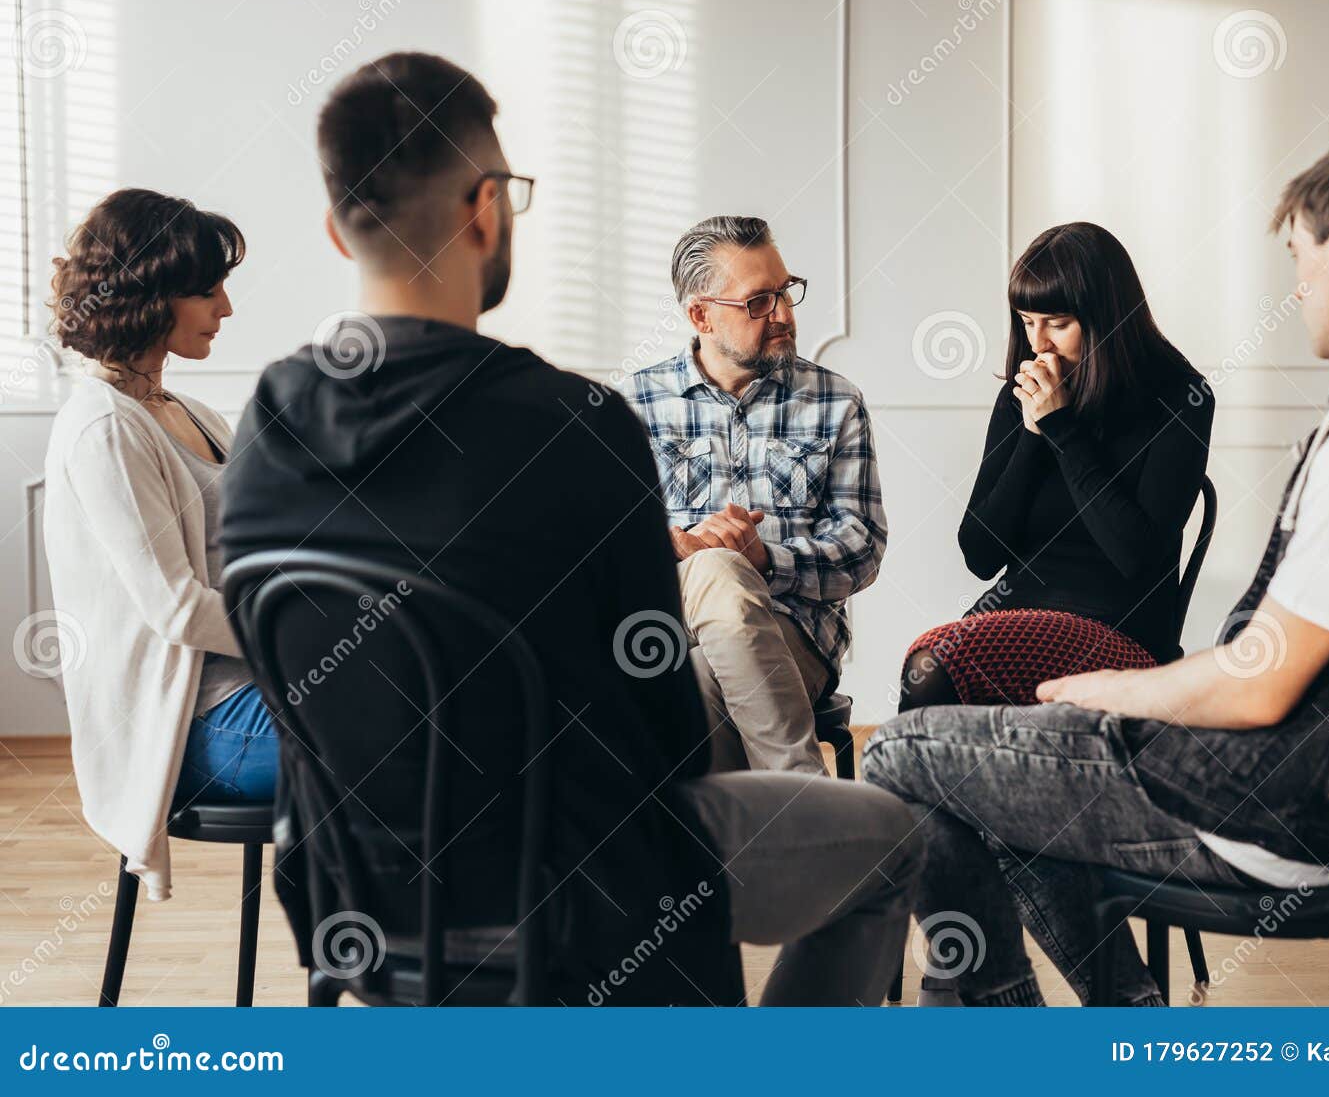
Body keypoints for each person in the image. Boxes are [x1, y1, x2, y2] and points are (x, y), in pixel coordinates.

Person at [220, 52, 921, 1006]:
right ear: (485, 207)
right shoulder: (579, 424)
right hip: (588, 894)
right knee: (893, 843)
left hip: (366, 896)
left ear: (341, 236)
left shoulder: (269, 426)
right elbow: (667, 733)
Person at [864, 133, 1329, 1006]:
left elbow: (1257, 688)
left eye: (1299, 255)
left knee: (903, 752)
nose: (1299, 285)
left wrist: (1108, 692)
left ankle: (1023, 1039)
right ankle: (1121, 1019)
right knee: (971, 773)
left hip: (1256, 804)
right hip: (1307, 791)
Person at [42, 189, 274, 902]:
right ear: (149, 295)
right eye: (207, 291)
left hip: (249, 692)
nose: (226, 309)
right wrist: (305, 632)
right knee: (418, 742)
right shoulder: (104, 426)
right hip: (198, 728)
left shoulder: (188, 412)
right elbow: (176, 608)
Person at [900, 222, 1212, 715]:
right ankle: (942, 792)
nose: (1038, 344)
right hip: (1017, 612)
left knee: (936, 667)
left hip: (1119, 631)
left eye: (1057, 323)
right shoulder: (1021, 398)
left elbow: (1137, 557)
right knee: (930, 670)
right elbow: (980, 555)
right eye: (1026, 321)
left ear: (1107, 316)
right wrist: (1032, 434)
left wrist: (1064, 429)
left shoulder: (1181, 398)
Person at [621, 216, 887, 775]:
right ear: (700, 314)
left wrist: (764, 559)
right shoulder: (635, 404)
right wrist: (679, 545)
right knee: (714, 569)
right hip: (670, 623)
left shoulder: (835, 402)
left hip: (797, 628)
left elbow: (861, 548)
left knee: (699, 687)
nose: (785, 315)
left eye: (787, 292)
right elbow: (599, 548)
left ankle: (706, 857)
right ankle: (808, 814)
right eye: (759, 301)